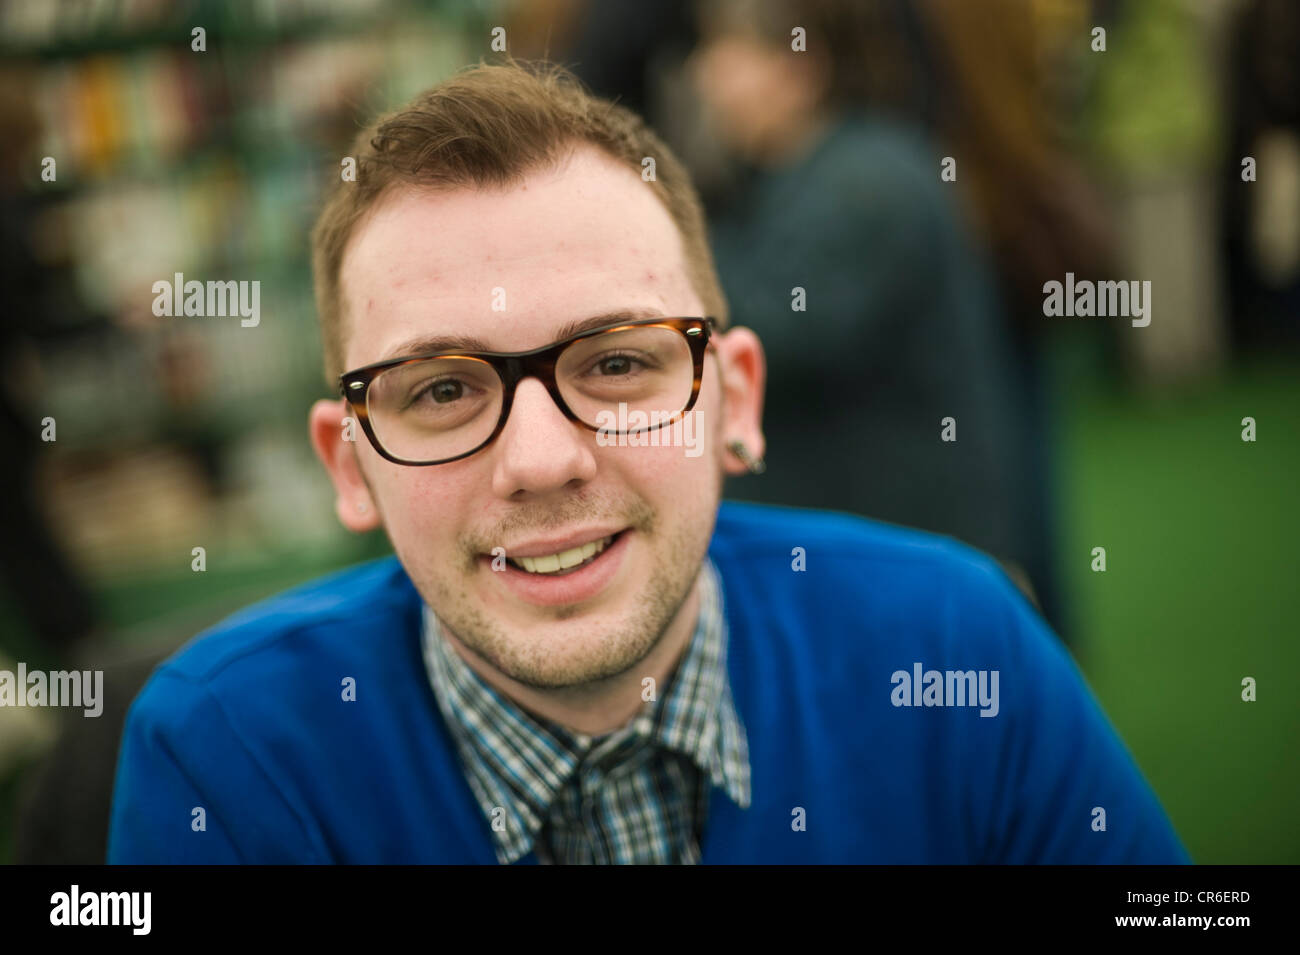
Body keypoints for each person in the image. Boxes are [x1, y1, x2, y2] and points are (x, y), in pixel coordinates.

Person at [108, 61, 1188, 864]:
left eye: (616, 361)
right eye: (440, 389)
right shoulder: (222, 758)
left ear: (736, 400)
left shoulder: (962, 648)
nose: (539, 460)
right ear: (349, 466)